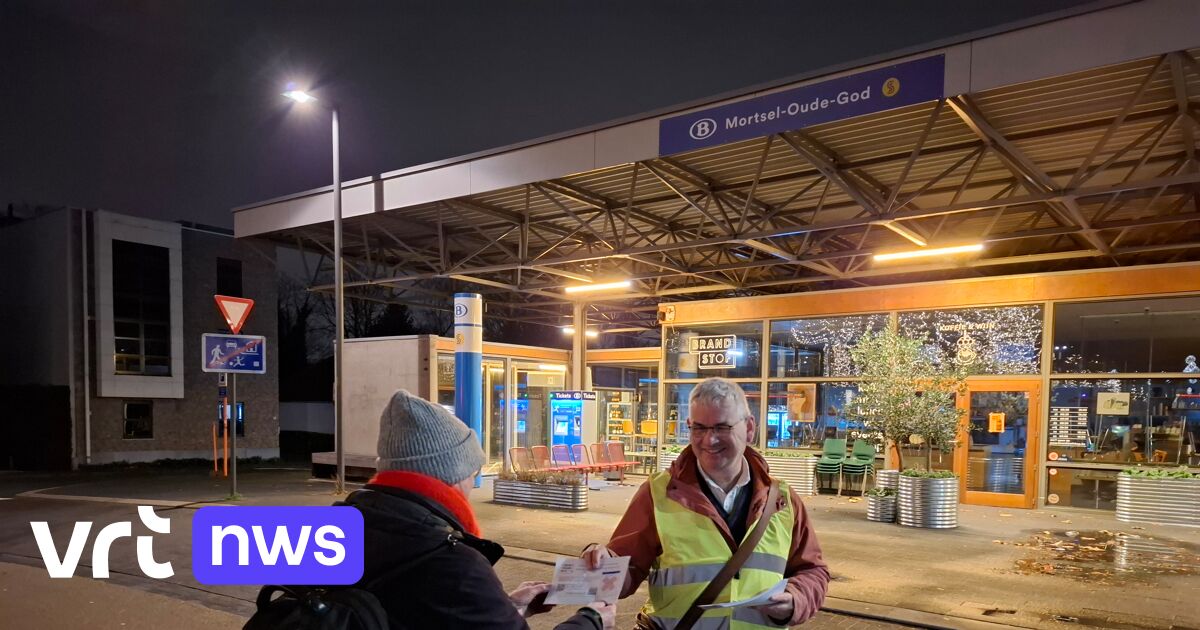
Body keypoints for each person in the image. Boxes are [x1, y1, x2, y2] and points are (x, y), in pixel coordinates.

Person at [344, 389, 613, 629]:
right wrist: (590, 620)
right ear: (454, 475)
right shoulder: (457, 564)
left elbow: (412, 611)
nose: (474, 485)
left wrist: (505, 607)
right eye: (474, 474)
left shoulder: (319, 535)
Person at [582, 377, 829, 629]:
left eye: (722, 427)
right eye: (699, 428)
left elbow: (813, 571)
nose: (709, 440)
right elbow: (627, 568)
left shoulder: (782, 500)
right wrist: (603, 564)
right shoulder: (658, 492)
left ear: (750, 428)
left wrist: (796, 599)